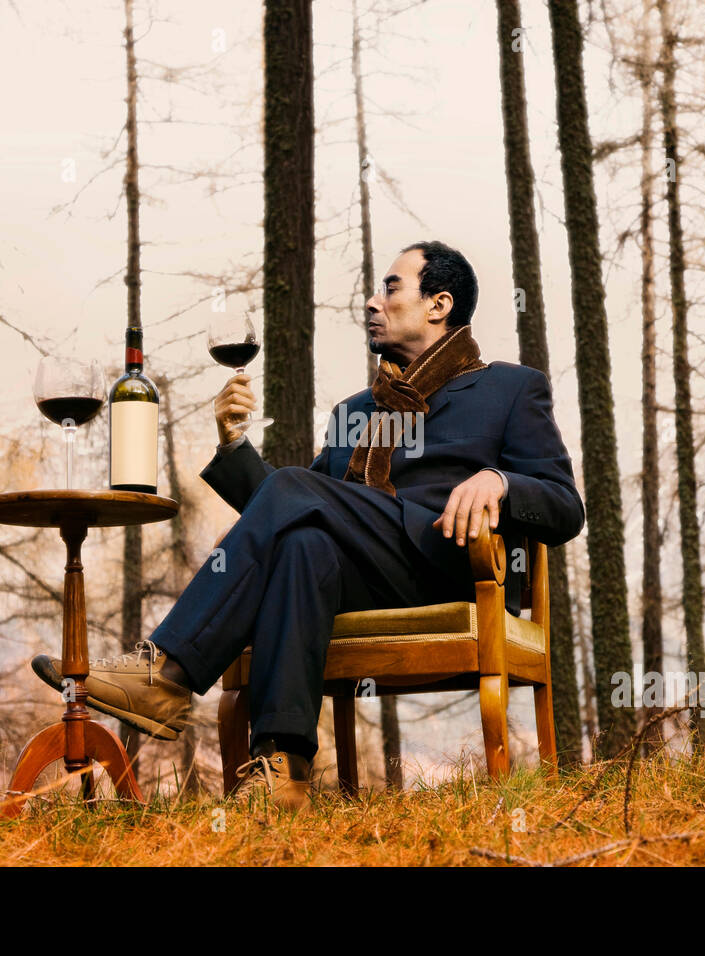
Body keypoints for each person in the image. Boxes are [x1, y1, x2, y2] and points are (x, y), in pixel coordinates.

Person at [31, 240, 584, 810]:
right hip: (364, 573)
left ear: (439, 304)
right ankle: (282, 770)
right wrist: (235, 446)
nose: (372, 302)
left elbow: (565, 506)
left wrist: (500, 480)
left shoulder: (510, 388)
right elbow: (293, 506)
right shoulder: (356, 410)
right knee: (303, 543)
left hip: (453, 565)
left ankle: (169, 672)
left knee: (300, 500)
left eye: (391, 288)